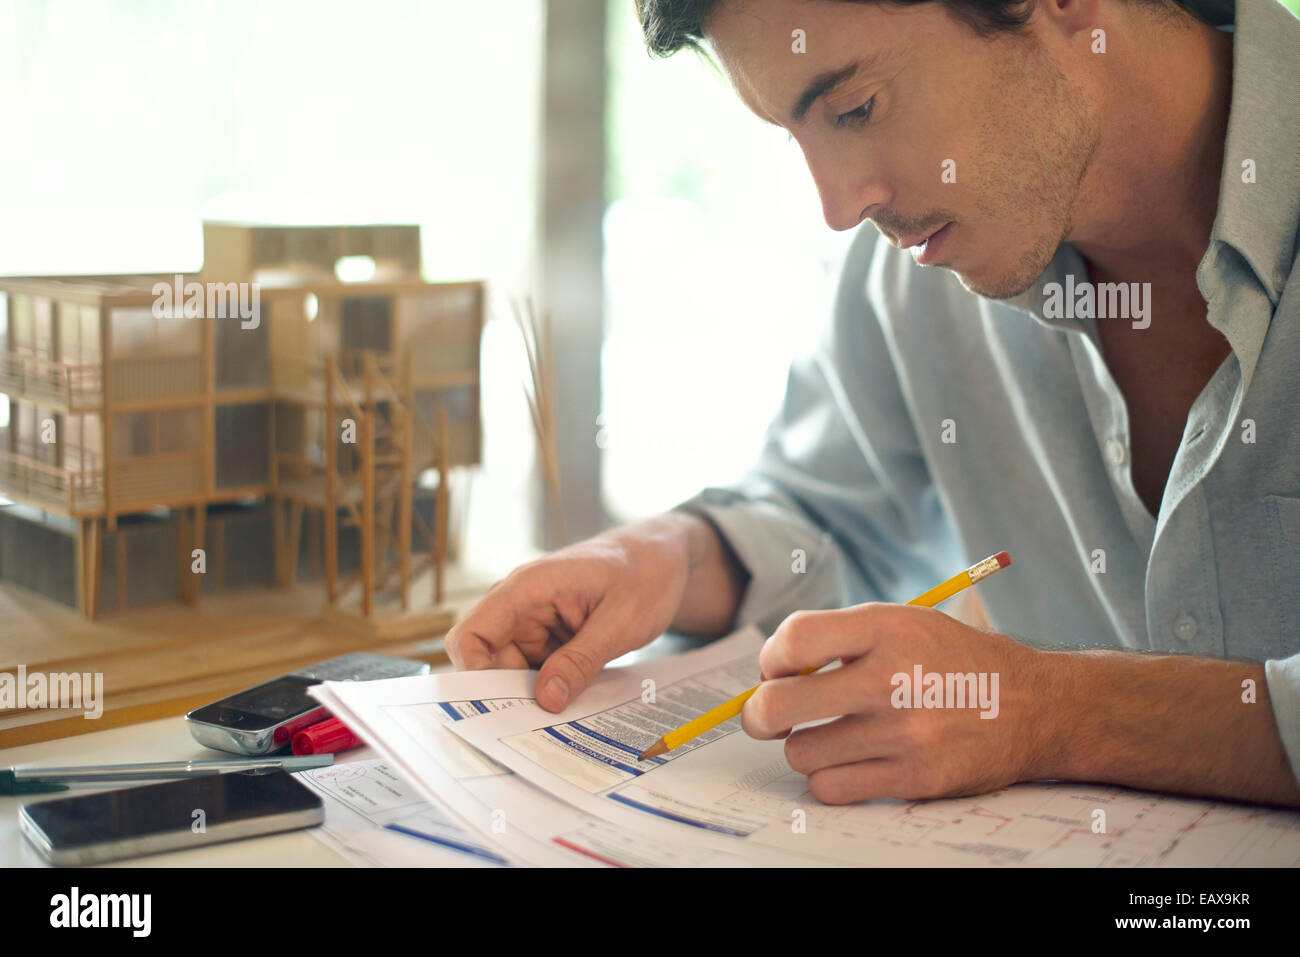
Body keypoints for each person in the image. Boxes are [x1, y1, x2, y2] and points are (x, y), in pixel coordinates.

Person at [446, 0, 1300, 807]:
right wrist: (666, 556)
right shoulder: (920, 271)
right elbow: (830, 518)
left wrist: (1053, 709)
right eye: (796, 136)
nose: (838, 205)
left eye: (855, 108)